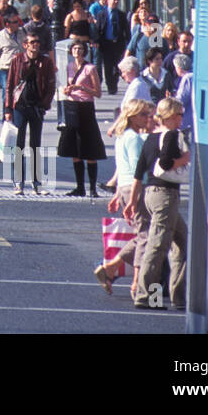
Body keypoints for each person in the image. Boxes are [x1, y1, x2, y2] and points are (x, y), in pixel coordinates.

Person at [126, 98, 189, 310]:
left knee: (183, 240)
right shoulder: (171, 135)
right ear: (170, 116)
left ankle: (179, 296)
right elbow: (165, 163)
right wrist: (186, 158)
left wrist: (132, 202)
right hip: (165, 195)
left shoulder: (151, 138)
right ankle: (147, 297)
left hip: (150, 194)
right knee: (157, 246)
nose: (182, 117)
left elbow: (138, 173)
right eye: (179, 114)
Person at [94, 99, 156, 295]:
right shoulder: (133, 139)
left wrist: (119, 193)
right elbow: (139, 169)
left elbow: (122, 167)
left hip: (125, 187)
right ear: (132, 117)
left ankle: (112, 268)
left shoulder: (123, 136)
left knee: (143, 234)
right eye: (144, 114)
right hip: (136, 188)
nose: (148, 118)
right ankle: (136, 283)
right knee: (146, 235)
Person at [4, 33, 55, 196]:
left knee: (35, 146)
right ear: (25, 45)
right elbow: (10, 85)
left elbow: (50, 86)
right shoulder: (17, 60)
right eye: (32, 42)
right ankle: (18, 182)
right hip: (20, 107)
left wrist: (44, 105)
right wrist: (7, 108)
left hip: (36, 108)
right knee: (18, 146)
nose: (36, 45)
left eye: (38, 42)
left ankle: (36, 183)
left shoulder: (45, 62)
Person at [57, 40, 105, 197]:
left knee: (89, 148)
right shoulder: (68, 67)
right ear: (71, 51)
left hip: (86, 108)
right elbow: (62, 86)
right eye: (75, 48)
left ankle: (92, 188)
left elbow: (98, 93)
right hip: (72, 107)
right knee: (74, 148)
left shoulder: (90, 68)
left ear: (84, 51)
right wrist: (67, 90)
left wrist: (81, 88)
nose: (77, 51)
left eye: (80, 48)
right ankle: (79, 187)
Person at [97, 0, 129, 95]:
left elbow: (126, 29)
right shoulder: (102, 14)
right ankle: (110, 85)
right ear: (108, 0)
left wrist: (128, 42)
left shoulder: (121, 14)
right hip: (107, 44)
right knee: (108, 65)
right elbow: (98, 29)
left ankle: (114, 83)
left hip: (118, 44)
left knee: (117, 65)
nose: (116, 1)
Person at [0, 12, 24, 92]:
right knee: (7, 92)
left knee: (20, 94)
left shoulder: (23, 33)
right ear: (7, 24)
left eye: (18, 21)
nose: (18, 24)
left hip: (20, 69)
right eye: (15, 22)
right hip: (6, 69)